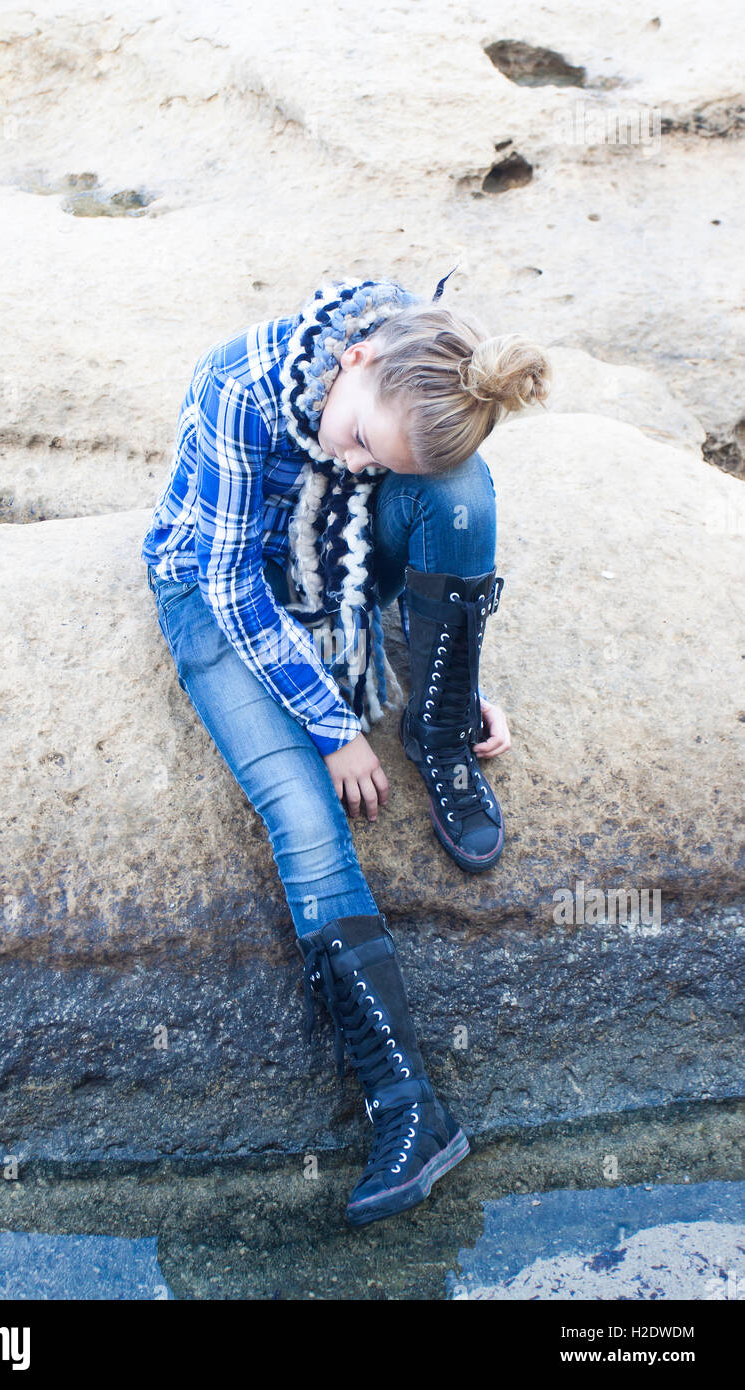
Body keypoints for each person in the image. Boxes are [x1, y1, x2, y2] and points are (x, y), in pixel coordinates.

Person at [142, 274, 551, 1226]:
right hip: (221, 578)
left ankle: (438, 727)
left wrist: (438, 660)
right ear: (354, 362)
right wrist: (330, 730)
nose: (359, 463)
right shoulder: (243, 388)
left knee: (460, 492)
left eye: (377, 460)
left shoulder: (428, 364)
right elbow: (234, 582)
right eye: (361, 441)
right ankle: (409, 1102)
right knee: (301, 811)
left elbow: (373, 522)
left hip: (336, 580)